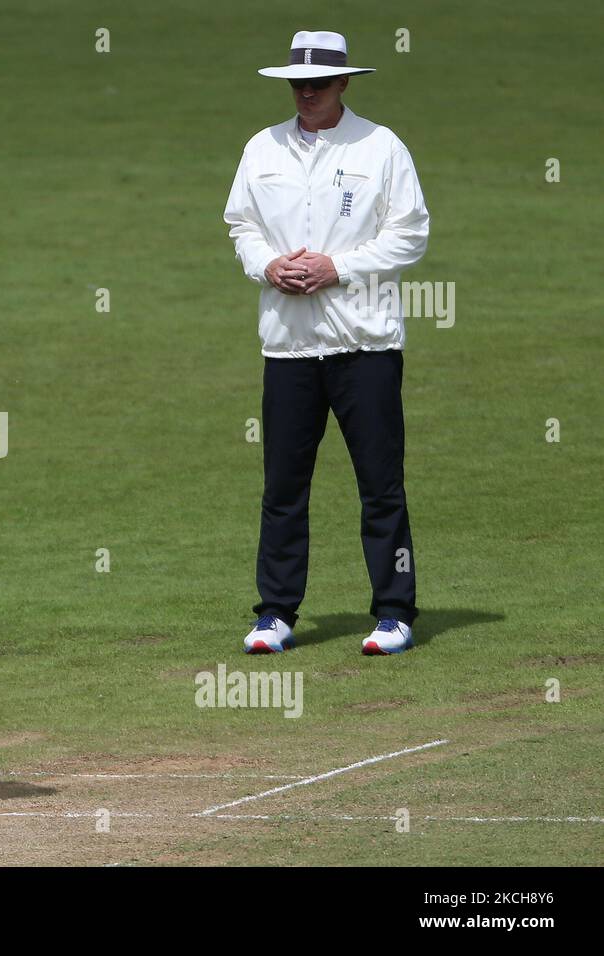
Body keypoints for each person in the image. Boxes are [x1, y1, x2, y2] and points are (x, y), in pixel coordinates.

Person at [222, 31, 430, 655]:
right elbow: (241, 224)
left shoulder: (381, 146)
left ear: (344, 83)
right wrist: (268, 267)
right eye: (298, 83)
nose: (307, 92)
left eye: (318, 82)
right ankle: (276, 615)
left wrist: (335, 267)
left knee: (380, 485)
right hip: (288, 346)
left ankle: (394, 611)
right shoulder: (262, 148)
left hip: (366, 345)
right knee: (283, 486)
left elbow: (410, 234)